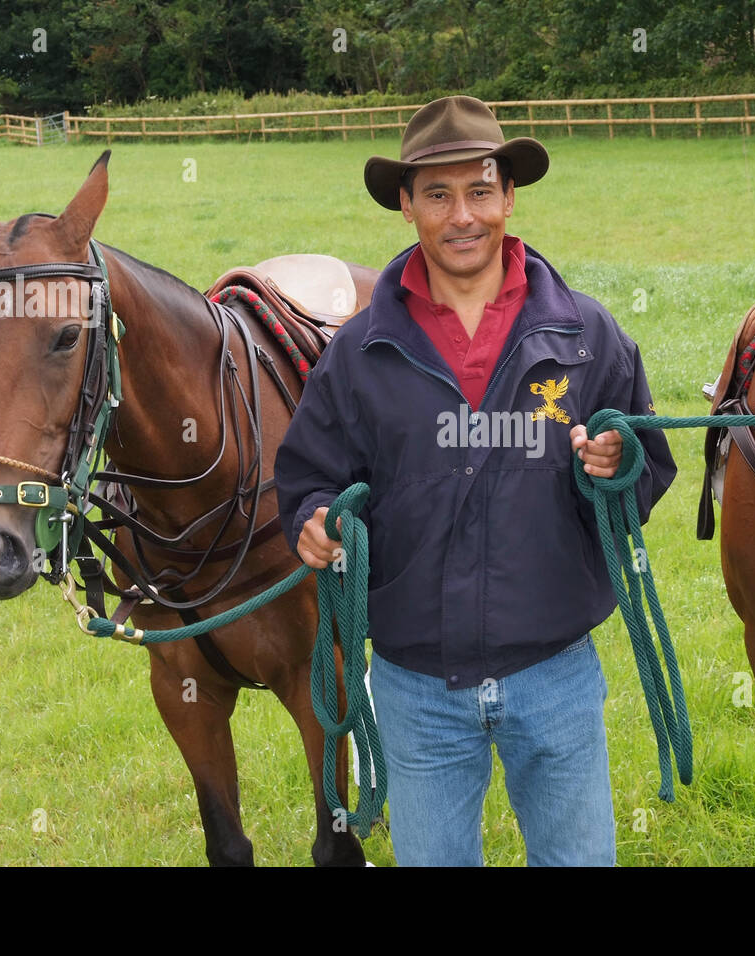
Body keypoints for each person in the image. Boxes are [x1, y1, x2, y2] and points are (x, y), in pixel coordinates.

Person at [274, 95, 676, 866]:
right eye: (438, 194)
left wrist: (617, 468)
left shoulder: (587, 336)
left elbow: (646, 461)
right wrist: (317, 517)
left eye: (481, 191)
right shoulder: (360, 351)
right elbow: (308, 476)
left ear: (509, 198)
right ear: (406, 205)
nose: (463, 216)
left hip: (554, 672)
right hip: (415, 686)